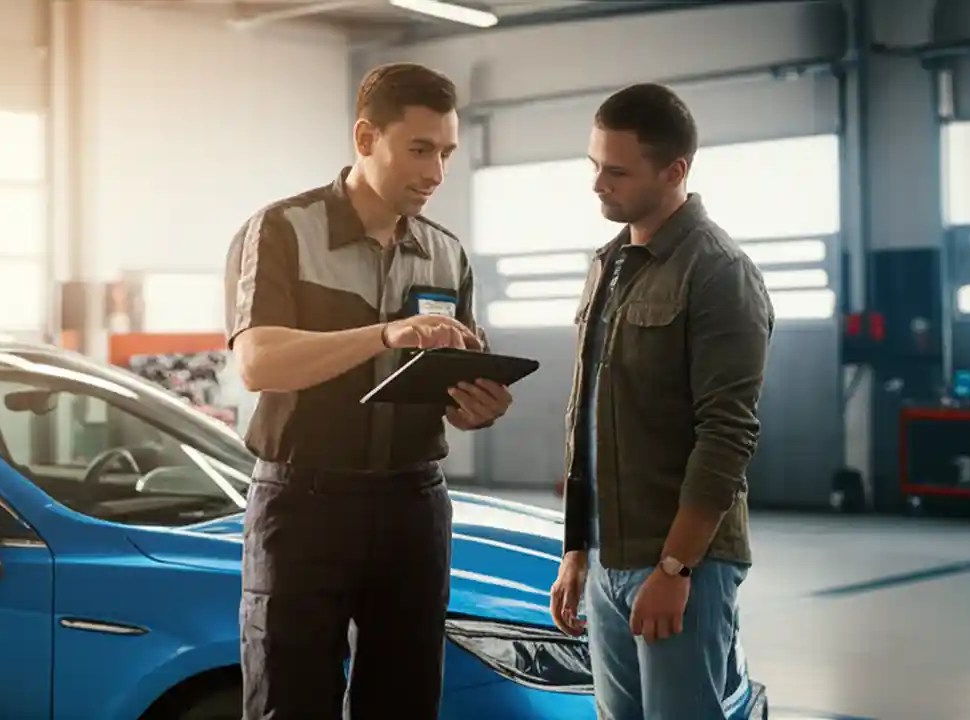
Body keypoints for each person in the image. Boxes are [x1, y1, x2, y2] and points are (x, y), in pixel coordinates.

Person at [224, 62, 513, 719]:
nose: (436, 173)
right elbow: (259, 363)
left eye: (445, 153)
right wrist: (384, 333)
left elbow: (458, 378)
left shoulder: (449, 255)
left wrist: (478, 407)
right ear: (364, 137)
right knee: (289, 700)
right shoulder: (281, 232)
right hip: (302, 504)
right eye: (419, 150)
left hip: (413, 504)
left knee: (405, 702)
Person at [547, 83, 775, 719]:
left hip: (681, 565)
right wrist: (575, 549)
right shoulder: (609, 265)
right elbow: (586, 415)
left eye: (616, 172)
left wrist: (675, 568)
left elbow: (727, 435)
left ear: (675, 171)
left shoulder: (720, 272)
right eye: (594, 166)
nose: (598, 184)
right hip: (607, 557)